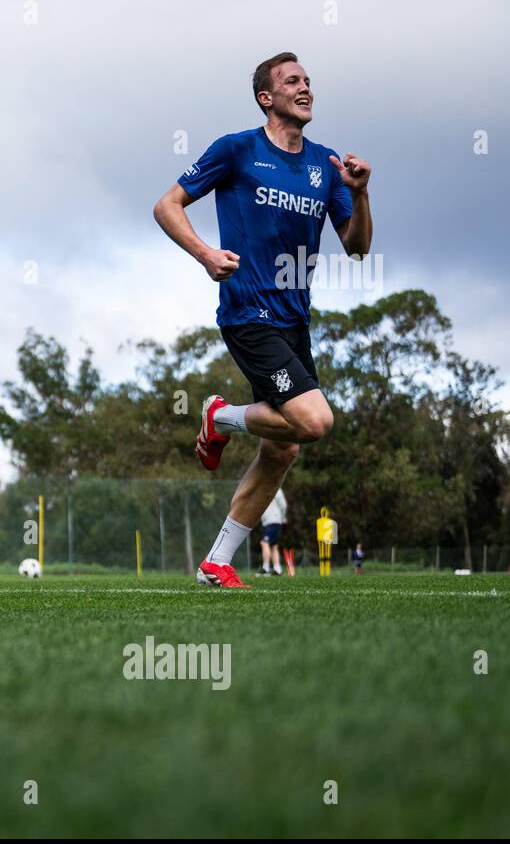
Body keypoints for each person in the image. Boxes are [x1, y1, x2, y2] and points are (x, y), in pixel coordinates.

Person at [153, 52, 372, 588]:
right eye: (292, 81)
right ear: (265, 97)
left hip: (296, 320)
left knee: (283, 447)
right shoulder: (237, 149)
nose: (306, 88)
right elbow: (167, 206)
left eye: (308, 81)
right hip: (248, 313)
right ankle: (222, 417)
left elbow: (359, 247)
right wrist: (206, 253)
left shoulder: (326, 165)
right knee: (316, 422)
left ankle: (215, 564)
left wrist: (361, 193)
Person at [257, 488, 288, 576]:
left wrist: (282, 517)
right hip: (270, 522)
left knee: (264, 543)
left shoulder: (276, 489)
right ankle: (277, 569)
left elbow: (283, 505)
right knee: (274, 546)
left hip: (273, 521)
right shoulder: (262, 489)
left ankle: (265, 568)